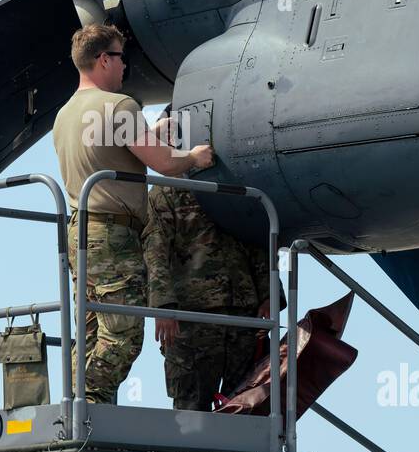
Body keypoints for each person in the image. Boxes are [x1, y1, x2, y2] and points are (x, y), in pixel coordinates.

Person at [52, 25, 213, 405]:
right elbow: (164, 164)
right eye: (122, 57)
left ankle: (75, 402)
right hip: (113, 235)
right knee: (124, 334)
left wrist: (148, 131)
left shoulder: (64, 115)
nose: (126, 66)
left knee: (91, 329)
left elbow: (105, 148)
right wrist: (194, 157)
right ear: (104, 60)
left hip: (80, 232)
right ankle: (91, 401)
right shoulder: (120, 106)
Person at [142, 111, 277, 411]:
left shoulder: (237, 189)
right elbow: (156, 251)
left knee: (246, 405)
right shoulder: (165, 194)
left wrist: (269, 295)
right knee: (191, 411)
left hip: (241, 318)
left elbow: (257, 242)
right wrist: (163, 306)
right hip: (191, 320)